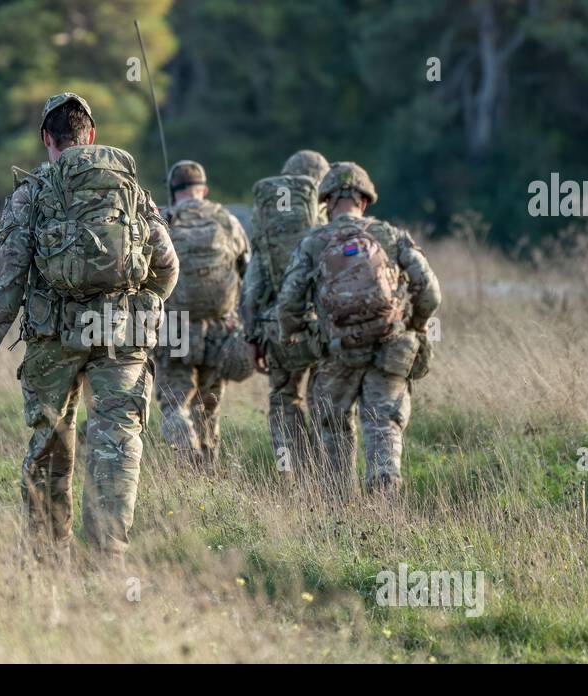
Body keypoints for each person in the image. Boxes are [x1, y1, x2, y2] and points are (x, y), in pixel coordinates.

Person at [0, 92, 179, 566]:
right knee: (118, 442)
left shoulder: (34, 191)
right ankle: (108, 560)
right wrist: (141, 306)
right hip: (121, 338)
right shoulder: (129, 188)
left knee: (50, 444)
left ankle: (48, 561)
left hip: (53, 341)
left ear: (48, 138)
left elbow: (9, 269)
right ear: (92, 135)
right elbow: (166, 267)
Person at [277, 161, 440, 495]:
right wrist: (416, 325)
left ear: (326, 202)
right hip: (390, 348)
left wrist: (294, 331)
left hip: (338, 355)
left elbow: (289, 300)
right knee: (384, 428)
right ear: (364, 200)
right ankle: (385, 511)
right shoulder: (391, 236)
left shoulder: (314, 242)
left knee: (335, 429)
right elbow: (430, 291)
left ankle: (341, 514)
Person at [154, 160, 249, 467]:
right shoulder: (226, 220)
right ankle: (209, 468)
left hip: (176, 326)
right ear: (204, 190)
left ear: (173, 192)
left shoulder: (164, 219)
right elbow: (246, 268)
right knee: (209, 404)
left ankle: (186, 447)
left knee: (173, 404)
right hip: (219, 328)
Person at [242, 150, 330, 467]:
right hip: (321, 329)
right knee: (326, 402)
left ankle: (289, 472)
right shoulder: (327, 221)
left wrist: (252, 337)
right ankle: (328, 478)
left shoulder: (267, 224)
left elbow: (251, 288)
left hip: (278, 331)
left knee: (283, 400)